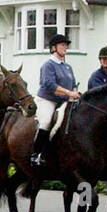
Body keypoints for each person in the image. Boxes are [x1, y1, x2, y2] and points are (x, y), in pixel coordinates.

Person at [31, 33, 80, 167]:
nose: (65, 47)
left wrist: (75, 92)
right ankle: (36, 153)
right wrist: (69, 92)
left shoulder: (68, 67)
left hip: (64, 101)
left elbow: (74, 83)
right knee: (46, 121)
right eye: (62, 45)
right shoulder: (48, 65)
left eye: (66, 45)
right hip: (48, 100)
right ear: (54, 48)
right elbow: (49, 84)